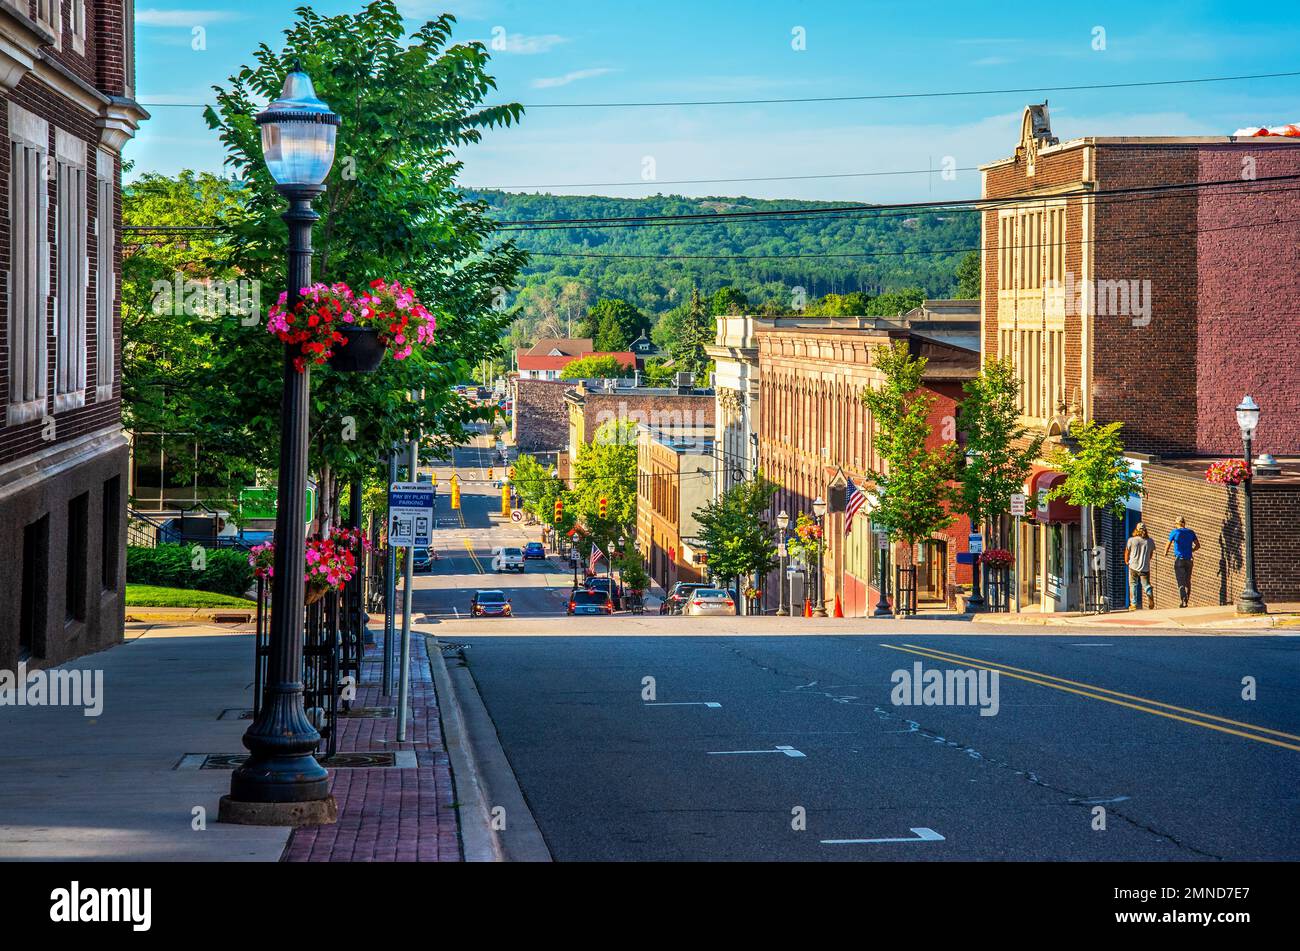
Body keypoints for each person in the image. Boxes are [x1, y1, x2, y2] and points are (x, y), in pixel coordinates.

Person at [1164, 517, 1201, 608]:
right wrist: (1191, 550)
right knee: (1188, 580)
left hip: (1179, 559)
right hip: (1189, 560)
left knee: (1180, 580)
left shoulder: (1175, 532)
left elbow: (1168, 544)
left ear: (1177, 524)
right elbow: (1198, 545)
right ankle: (1186, 600)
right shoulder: (1190, 532)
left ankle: (1183, 598)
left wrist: (1165, 552)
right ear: (1184, 523)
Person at [1125, 522, 1155, 610]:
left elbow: (1127, 551)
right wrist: (1147, 561)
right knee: (1146, 584)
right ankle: (1149, 593)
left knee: (1133, 584)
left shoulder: (1131, 540)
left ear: (1136, 530)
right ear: (1145, 530)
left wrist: (1127, 561)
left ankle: (1133, 604)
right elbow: (1151, 553)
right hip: (1145, 567)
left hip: (1133, 566)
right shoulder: (1150, 541)